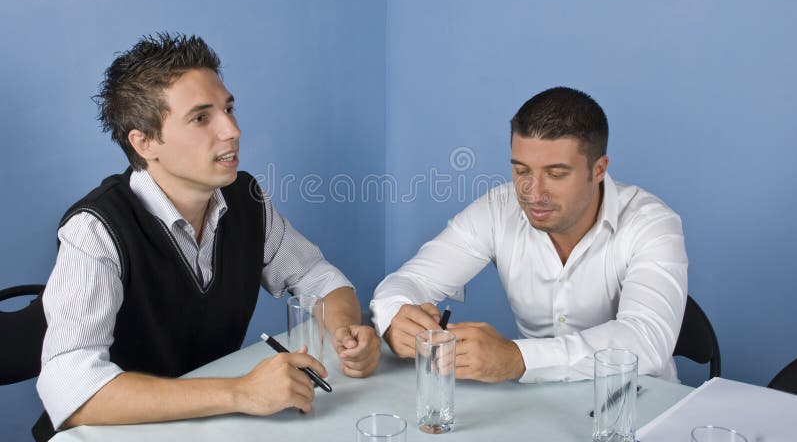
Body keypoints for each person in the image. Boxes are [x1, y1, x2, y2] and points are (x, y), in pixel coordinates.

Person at [35, 33, 380, 440]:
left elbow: (317, 277)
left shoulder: (246, 199)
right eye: (201, 118)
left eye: (228, 109)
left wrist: (345, 332)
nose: (232, 129)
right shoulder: (95, 229)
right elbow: (70, 390)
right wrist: (241, 392)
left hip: (210, 427)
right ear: (145, 142)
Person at [371, 87, 688, 384]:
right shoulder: (498, 209)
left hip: (639, 401)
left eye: (556, 174)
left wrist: (519, 358)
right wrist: (396, 315)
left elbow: (647, 340)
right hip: (542, 404)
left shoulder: (652, 224)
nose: (533, 194)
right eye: (521, 170)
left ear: (598, 169)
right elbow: (410, 281)